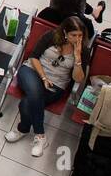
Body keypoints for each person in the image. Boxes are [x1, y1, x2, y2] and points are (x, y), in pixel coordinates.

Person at [5, 17, 88, 157]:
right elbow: (34, 57)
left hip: (56, 83)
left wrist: (78, 58)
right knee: (35, 93)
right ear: (65, 32)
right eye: (74, 35)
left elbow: (78, 78)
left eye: (80, 35)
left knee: (26, 104)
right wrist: (43, 77)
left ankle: (22, 129)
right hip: (32, 71)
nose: (77, 39)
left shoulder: (83, 51)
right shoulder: (51, 36)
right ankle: (40, 136)